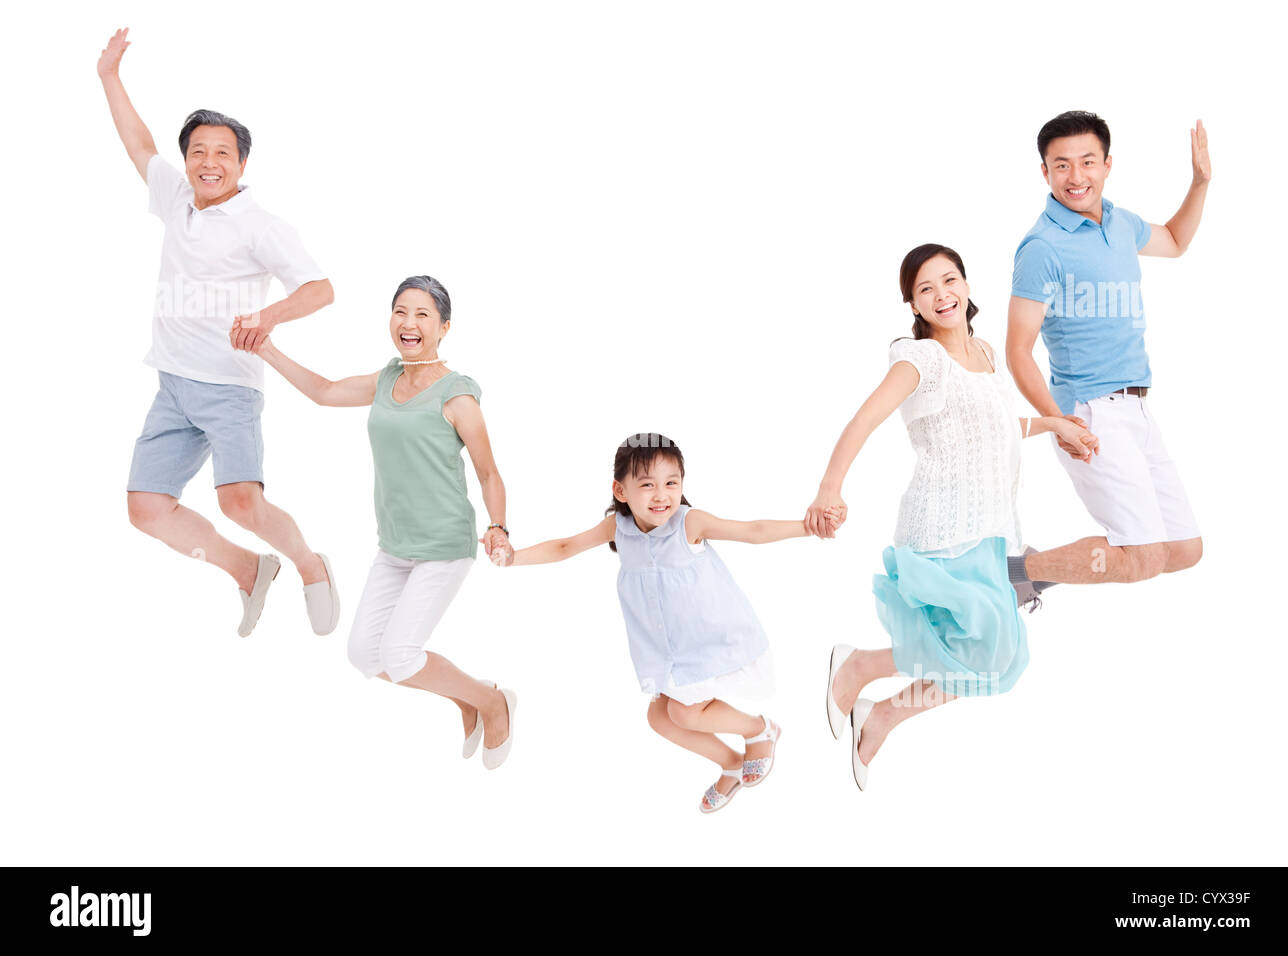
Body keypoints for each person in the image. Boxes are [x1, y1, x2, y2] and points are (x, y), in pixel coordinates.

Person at [806, 244, 1098, 789]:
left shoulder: (984, 353)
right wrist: (829, 488)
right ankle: (865, 678)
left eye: (949, 280)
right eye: (925, 290)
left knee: (995, 661)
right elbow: (865, 419)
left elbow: (995, 426)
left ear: (966, 284)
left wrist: (1054, 426)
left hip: (990, 532)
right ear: (914, 307)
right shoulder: (922, 361)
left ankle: (878, 703)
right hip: (942, 530)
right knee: (987, 651)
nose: (942, 295)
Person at [99, 28, 340, 637]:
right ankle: (248, 571)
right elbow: (138, 143)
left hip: (230, 388)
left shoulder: (261, 225)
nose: (209, 163)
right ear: (188, 161)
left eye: (222, 153)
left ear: (242, 163)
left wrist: (267, 317)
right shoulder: (176, 197)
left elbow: (320, 290)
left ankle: (311, 565)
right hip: (173, 386)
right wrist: (109, 77)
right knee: (146, 508)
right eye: (198, 152)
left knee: (241, 502)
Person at [255, 276, 516, 767]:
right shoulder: (385, 380)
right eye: (400, 311)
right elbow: (325, 391)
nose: (409, 323)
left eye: (422, 314)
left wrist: (499, 527)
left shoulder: (457, 396)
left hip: (443, 546)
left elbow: (488, 472)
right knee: (363, 656)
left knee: (399, 655)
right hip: (395, 546)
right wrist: (266, 349)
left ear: (444, 327)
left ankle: (492, 702)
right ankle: (468, 695)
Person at [505, 434, 828, 813]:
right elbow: (566, 547)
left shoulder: (689, 523)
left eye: (671, 483)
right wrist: (514, 558)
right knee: (660, 718)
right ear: (620, 490)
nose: (661, 495)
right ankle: (731, 763)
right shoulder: (617, 528)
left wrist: (807, 527)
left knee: (684, 712)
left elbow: (752, 531)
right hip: (669, 650)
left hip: (712, 639)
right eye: (647, 484)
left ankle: (760, 730)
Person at [1006, 111, 1210, 602]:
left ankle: (1020, 575)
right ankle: (1007, 572)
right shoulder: (1042, 248)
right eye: (1061, 165)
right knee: (1142, 557)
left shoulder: (1118, 223)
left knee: (1183, 549)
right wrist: (1061, 423)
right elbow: (1017, 351)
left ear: (1107, 164)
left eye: (1087, 162)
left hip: (1137, 405)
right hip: (1088, 411)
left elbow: (1177, 242)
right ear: (1045, 172)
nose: (1076, 177)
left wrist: (1200, 181)